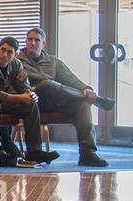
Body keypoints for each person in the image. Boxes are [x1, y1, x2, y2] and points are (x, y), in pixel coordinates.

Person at [19, 28, 111, 167]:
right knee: (47, 84)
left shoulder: (53, 62)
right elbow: (13, 83)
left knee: (82, 106)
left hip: (56, 100)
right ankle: (88, 98)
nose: (32, 43)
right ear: (26, 42)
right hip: (34, 102)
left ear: (43, 44)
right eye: (30, 40)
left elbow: (70, 79)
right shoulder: (17, 61)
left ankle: (88, 154)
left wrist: (86, 89)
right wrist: (26, 89)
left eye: (36, 40)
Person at [0, 37, 60, 167]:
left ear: (15, 54)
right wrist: (20, 97)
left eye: (10, 52)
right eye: (3, 50)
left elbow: (24, 87)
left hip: (3, 101)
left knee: (31, 104)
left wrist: (30, 95)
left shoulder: (16, 64)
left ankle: (34, 152)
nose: (5, 55)